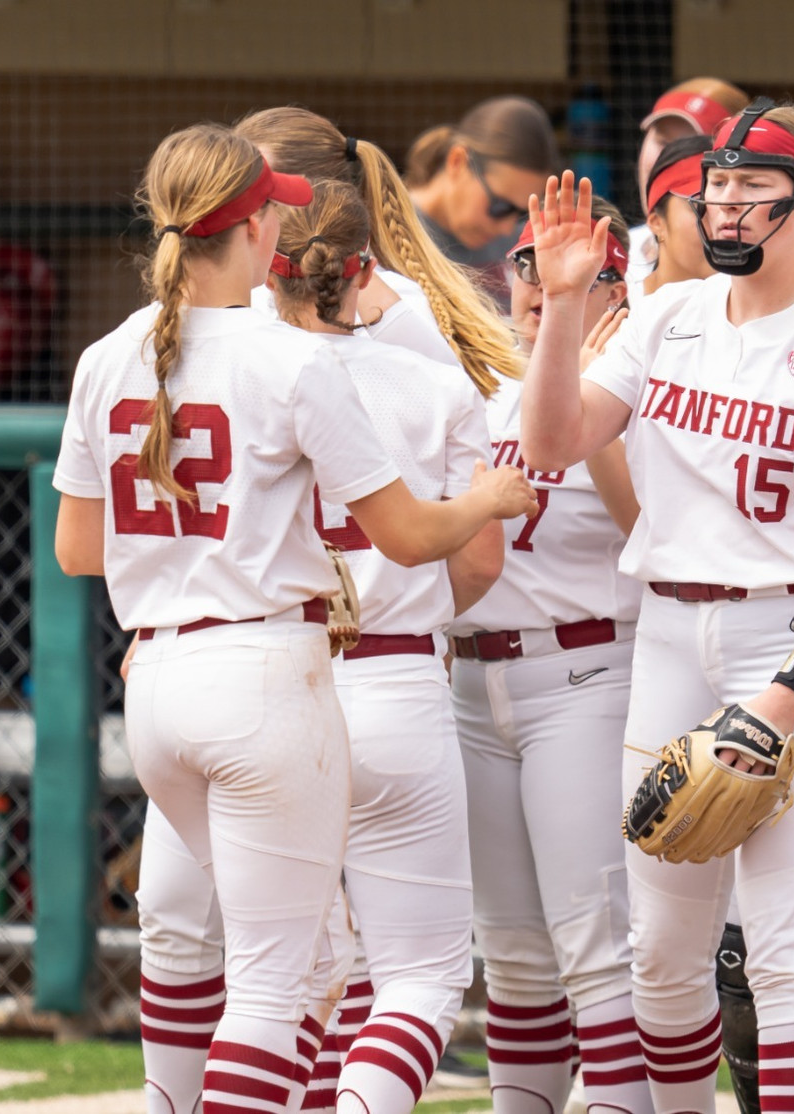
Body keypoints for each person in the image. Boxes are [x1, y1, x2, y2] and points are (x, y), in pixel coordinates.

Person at [54, 123, 533, 1114]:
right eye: (271, 206)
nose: (281, 220)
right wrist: (486, 504)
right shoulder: (290, 358)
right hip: (267, 674)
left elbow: (75, 552)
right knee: (278, 981)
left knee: (297, 953)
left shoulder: (109, 353)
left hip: (157, 684)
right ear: (252, 228)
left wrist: (193, 544)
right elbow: (405, 537)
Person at [515, 94, 794, 1114]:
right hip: (669, 632)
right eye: (718, 192)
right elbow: (550, 444)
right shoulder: (668, 313)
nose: (732, 210)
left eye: (756, 191)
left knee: (783, 949)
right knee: (658, 957)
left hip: (793, 640)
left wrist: (782, 702)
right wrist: (566, 304)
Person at [269, 180, 510, 1114]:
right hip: (397, 675)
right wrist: (404, 602)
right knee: (420, 976)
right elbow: (479, 566)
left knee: (271, 981)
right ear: (366, 271)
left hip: (267, 673)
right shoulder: (435, 380)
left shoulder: (231, 368)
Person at [454, 193, 650, 1114]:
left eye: (589, 268)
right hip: (466, 680)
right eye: (529, 263)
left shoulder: (634, 395)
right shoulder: (468, 385)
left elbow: (660, 542)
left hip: (586, 671)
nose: (544, 284)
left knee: (598, 944)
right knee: (515, 955)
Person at [236, 106, 524, 393]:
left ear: (315, 198)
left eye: (258, 191)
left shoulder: (395, 302)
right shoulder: (246, 291)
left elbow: (451, 402)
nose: (239, 207)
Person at [407, 96, 561, 309]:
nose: (507, 228)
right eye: (500, 207)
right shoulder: (387, 236)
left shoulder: (516, 244)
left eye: (521, 215)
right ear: (457, 161)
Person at [629, 77, 751, 286]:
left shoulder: (747, 279)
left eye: (692, 148)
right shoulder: (611, 252)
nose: (667, 162)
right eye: (663, 142)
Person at [638, 135, 718, 297]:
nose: (721, 223)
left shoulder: (757, 307)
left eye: (730, 208)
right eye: (700, 208)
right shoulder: (615, 303)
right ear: (657, 222)